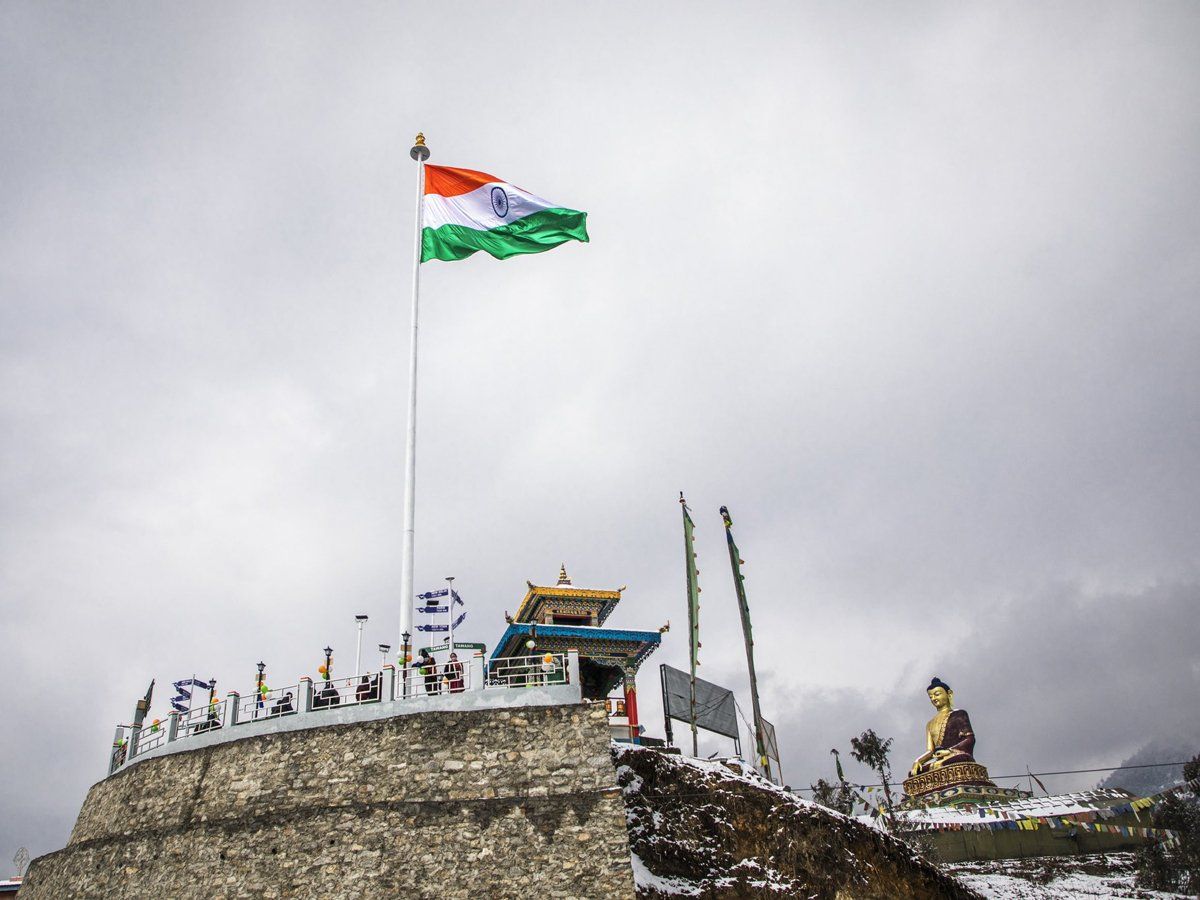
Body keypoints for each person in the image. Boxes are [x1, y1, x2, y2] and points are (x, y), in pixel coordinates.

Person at [909, 677, 977, 776]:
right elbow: (930, 751)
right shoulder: (930, 724)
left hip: (956, 756)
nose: (934, 699)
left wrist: (949, 752)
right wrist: (918, 761)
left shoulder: (959, 714)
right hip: (940, 759)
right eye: (930, 696)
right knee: (913, 773)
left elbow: (970, 739)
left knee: (955, 761)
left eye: (937, 694)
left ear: (949, 694)